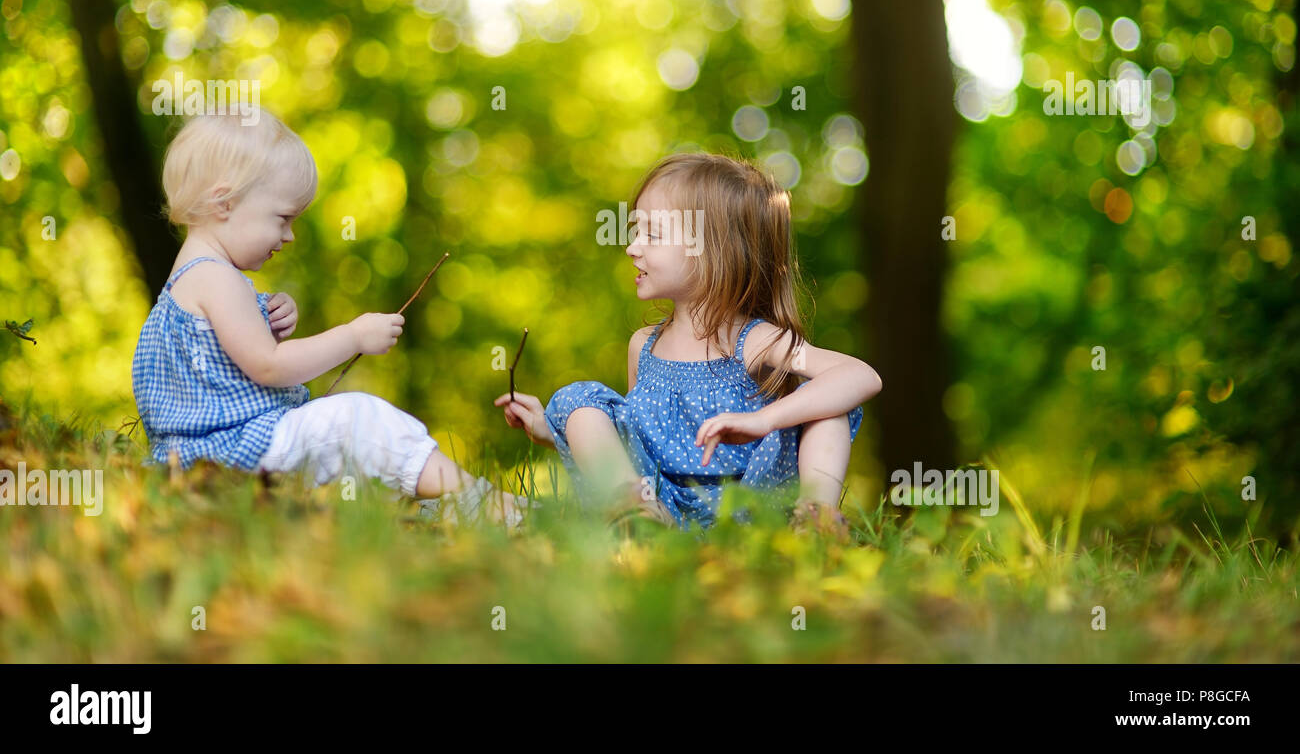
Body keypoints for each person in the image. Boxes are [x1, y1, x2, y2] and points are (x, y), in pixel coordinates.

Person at [131, 106, 526, 527]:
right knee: (359, 420)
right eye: (282, 218)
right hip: (236, 452)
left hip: (205, 456)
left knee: (347, 444)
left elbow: (223, 374)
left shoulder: (187, 281)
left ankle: (444, 504)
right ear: (224, 202)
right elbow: (268, 366)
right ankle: (481, 502)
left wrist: (268, 321)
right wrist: (353, 337)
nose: (289, 236)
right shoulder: (217, 279)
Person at [496, 152, 882, 537]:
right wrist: (550, 430)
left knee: (829, 400)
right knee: (576, 399)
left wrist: (763, 420)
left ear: (716, 249)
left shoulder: (755, 341)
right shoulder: (643, 346)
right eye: (635, 231)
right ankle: (635, 516)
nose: (632, 247)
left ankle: (812, 519)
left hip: (749, 512)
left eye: (653, 234)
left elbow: (861, 376)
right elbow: (637, 442)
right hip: (663, 510)